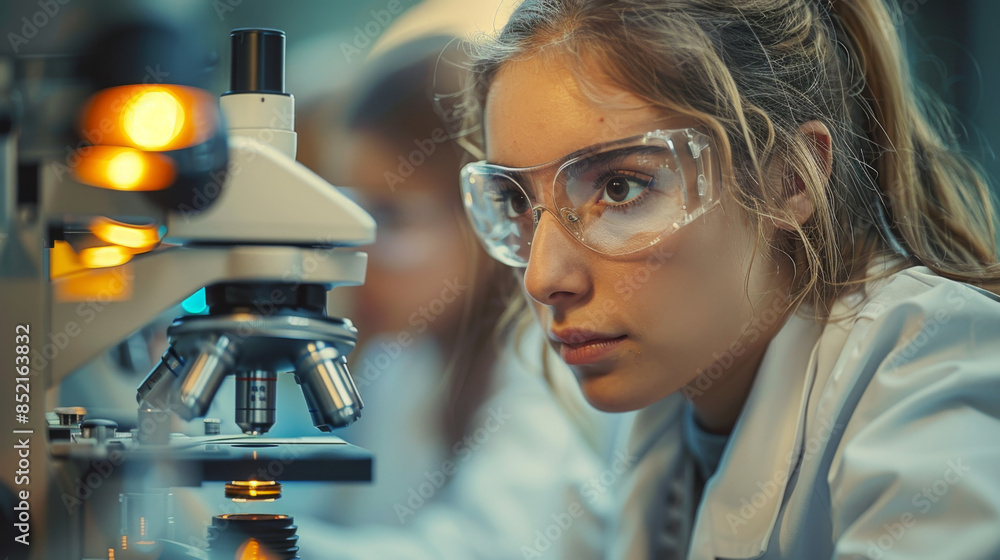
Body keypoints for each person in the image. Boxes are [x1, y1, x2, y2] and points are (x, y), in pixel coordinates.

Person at [456, 0, 1000, 558]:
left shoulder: (933, 366)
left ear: (790, 177)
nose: (542, 278)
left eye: (619, 188)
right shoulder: (654, 410)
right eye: (514, 201)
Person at [273, 34, 620, 559]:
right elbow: (335, 514)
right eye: (347, 214)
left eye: (388, 218)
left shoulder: (545, 362)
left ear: (487, 214)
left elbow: (488, 551)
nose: (355, 254)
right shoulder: (402, 363)